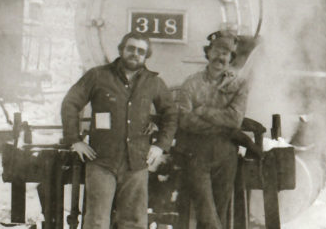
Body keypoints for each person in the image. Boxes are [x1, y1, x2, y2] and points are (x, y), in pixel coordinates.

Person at [60, 31, 178, 229]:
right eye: (131, 48)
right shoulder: (98, 76)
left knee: (134, 222)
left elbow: (170, 114)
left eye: (141, 51)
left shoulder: (153, 82)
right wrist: (75, 139)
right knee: (97, 221)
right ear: (121, 49)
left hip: (137, 164)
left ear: (146, 56)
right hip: (102, 161)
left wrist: (160, 145)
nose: (135, 54)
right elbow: (70, 103)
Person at [176, 32, 250, 229]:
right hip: (196, 152)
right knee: (206, 210)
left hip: (226, 153)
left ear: (231, 58)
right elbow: (184, 120)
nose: (220, 57)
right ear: (208, 53)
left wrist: (202, 111)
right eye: (217, 51)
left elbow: (234, 119)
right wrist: (221, 125)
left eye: (226, 53)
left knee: (219, 210)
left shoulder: (239, 84)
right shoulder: (191, 83)